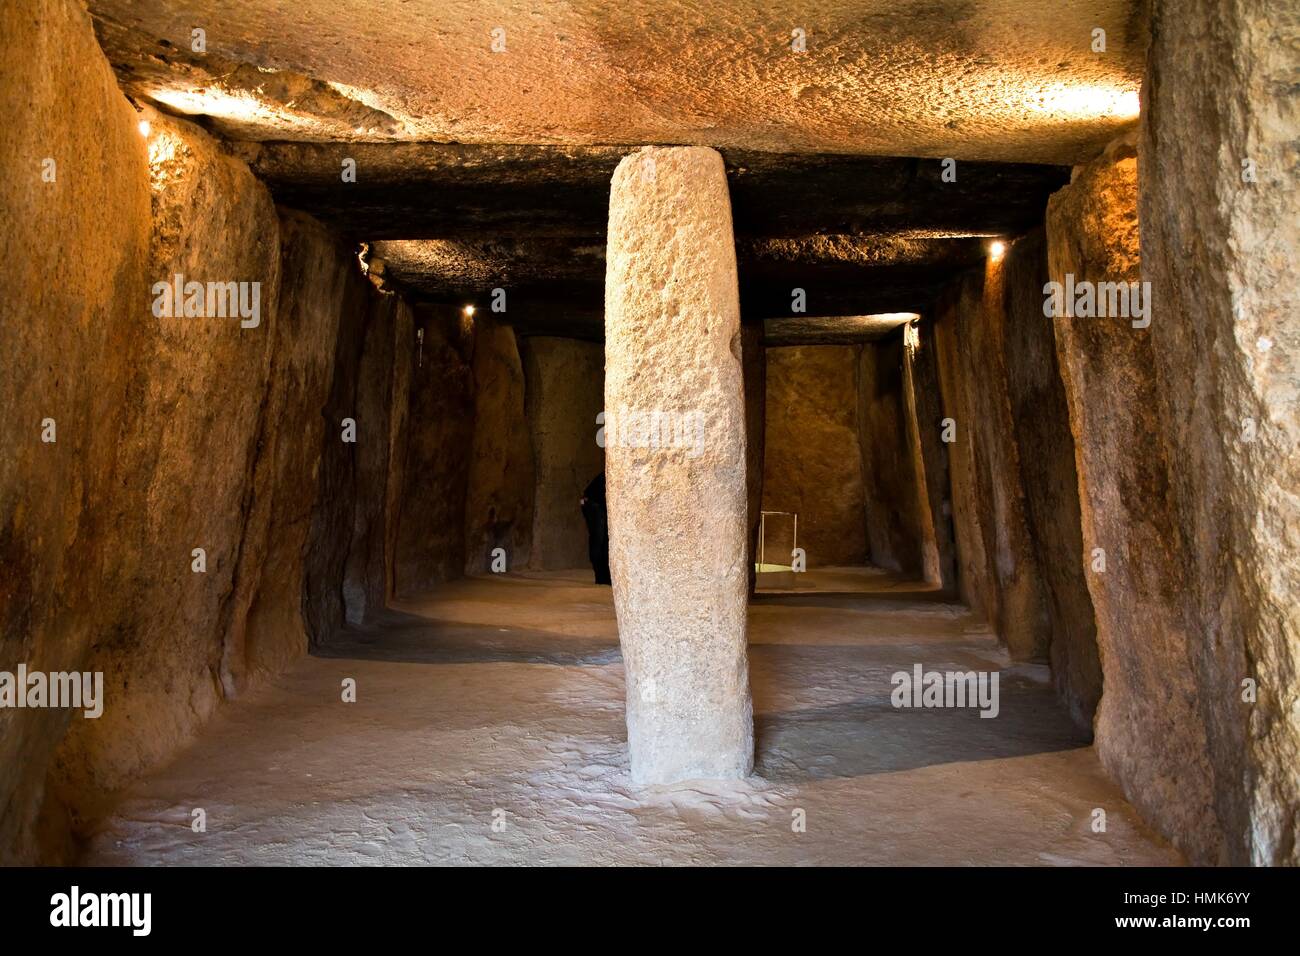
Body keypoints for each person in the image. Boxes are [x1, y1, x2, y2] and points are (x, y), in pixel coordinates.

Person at [580, 473, 611, 585]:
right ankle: (602, 577)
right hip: (593, 503)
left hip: (592, 502)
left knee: (601, 540)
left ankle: (603, 577)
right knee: (600, 540)